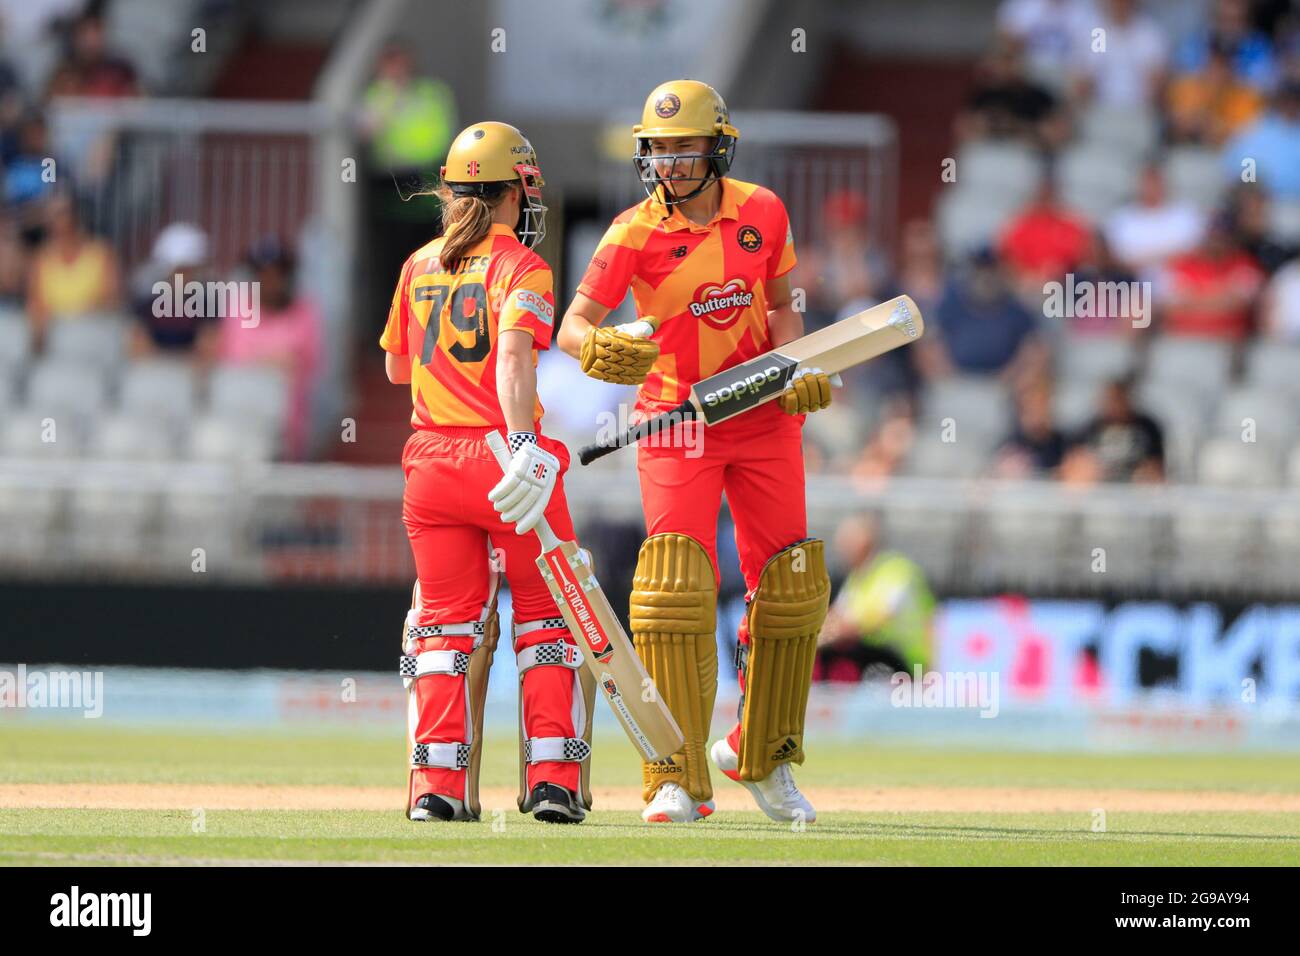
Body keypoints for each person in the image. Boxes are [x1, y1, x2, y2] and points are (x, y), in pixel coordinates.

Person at [557, 80, 831, 825]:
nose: (669, 162)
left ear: (717, 146)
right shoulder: (630, 233)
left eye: (683, 147)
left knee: (790, 588)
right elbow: (572, 327)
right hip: (676, 419)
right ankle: (673, 776)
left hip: (764, 414)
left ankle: (762, 757)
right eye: (658, 148)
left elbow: (781, 305)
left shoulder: (764, 210)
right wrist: (601, 347)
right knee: (675, 590)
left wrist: (798, 365)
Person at [380, 121, 592, 825]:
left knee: (443, 630)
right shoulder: (523, 267)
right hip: (506, 461)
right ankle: (553, 781)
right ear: (513, 194)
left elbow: (393, 366)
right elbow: (512, 361)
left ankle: (435, 791)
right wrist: (525, 439)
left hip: (431, 463)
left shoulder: (417, 264)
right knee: (547, 618)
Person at [815, 514, 935, 683]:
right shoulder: (857, 576)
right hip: (878, 657)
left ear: (863, 543)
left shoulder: (896, 570)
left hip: (904, 660)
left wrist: (827, 636)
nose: (839, 549)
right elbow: (837, 615)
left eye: (844, 543)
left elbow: (878, 619)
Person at [1060, 375, 1165, 483]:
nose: (1115, 406)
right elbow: (1072, 466)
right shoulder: (1088, 428)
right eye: (1111, 400)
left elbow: (1156, 467)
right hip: (1099, 489)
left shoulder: (1148, 428)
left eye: (1119, 399)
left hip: (1136, 490)